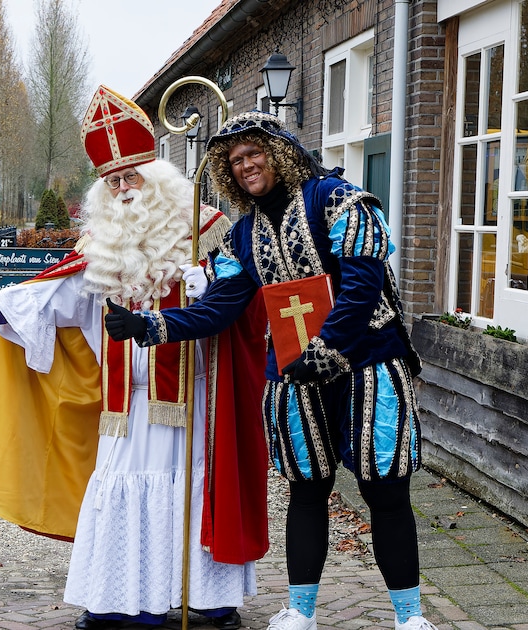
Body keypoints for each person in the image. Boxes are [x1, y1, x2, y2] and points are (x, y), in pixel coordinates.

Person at [0, 86, 270, 630]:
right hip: (124, 404)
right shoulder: (99, 244)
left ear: (156, 175)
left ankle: (209, 600)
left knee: (194, 486)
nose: (123, 188)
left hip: (196, 397)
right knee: (121, 484)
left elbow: (244, 305)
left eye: (132, 176)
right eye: (113, 181)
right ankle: (121, 601)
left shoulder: (208, 231)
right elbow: (58, 297)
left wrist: (208, 283)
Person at [104, 110, 433, 630]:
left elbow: (363, 281)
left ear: (279, 152)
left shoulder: (339, 200)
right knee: (307, 490)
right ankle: (301, 613)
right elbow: (222, 306)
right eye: (235, 161)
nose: (246, 166)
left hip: (368, 364)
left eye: (254, 153)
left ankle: (410, 618)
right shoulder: (243, 235)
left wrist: (326, 349)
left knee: (385, 490)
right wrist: (150, 327)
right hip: (295, 377)